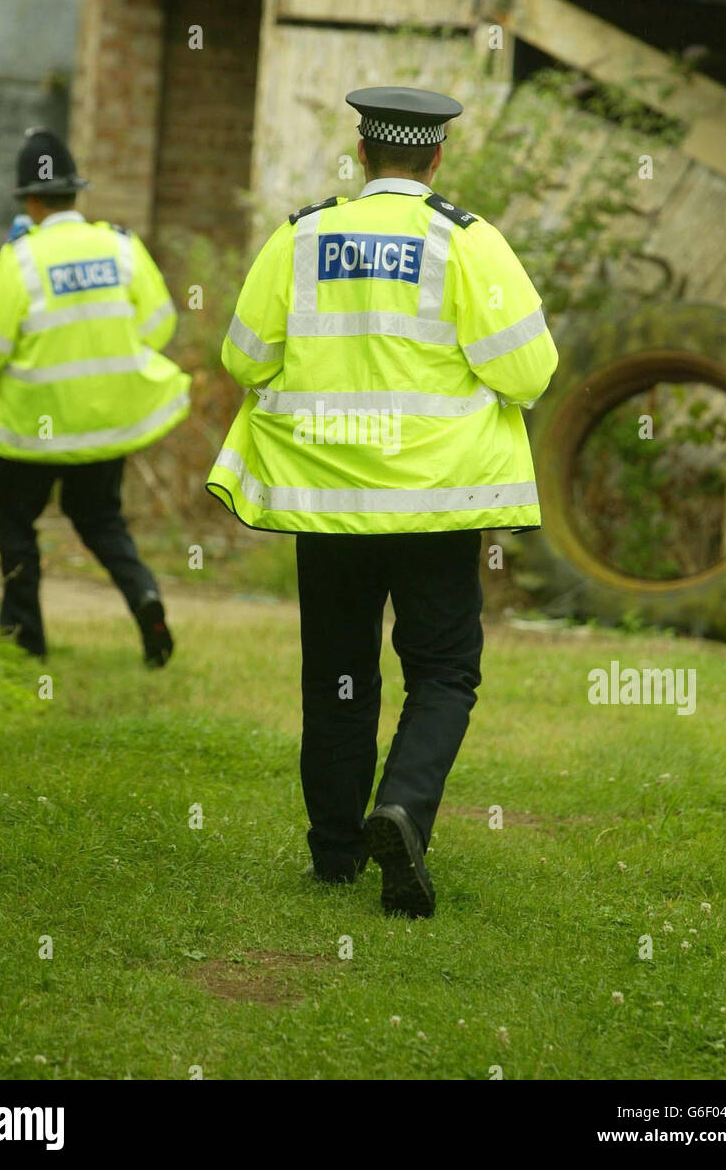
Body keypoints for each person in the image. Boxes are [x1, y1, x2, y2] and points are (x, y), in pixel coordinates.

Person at [207, 87, 559, 916]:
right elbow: (529, 373)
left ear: (360, 154)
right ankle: (401, 807)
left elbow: (244, 361)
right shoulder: (467, 244)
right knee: (441, 671)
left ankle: (334, 854)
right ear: (436, 157)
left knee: (336, 673)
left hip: (326, 502)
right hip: (434, 504)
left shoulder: (300, 236)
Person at [0, 126, 190, 665]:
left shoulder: (20, 259)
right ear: (74, 194)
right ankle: (145, 598)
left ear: (30, 200)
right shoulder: (121, 245)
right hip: (105, 426)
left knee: (17, 526)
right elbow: (159, 325)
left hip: (30, 432)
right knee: (102, 521)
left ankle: (25, 642)